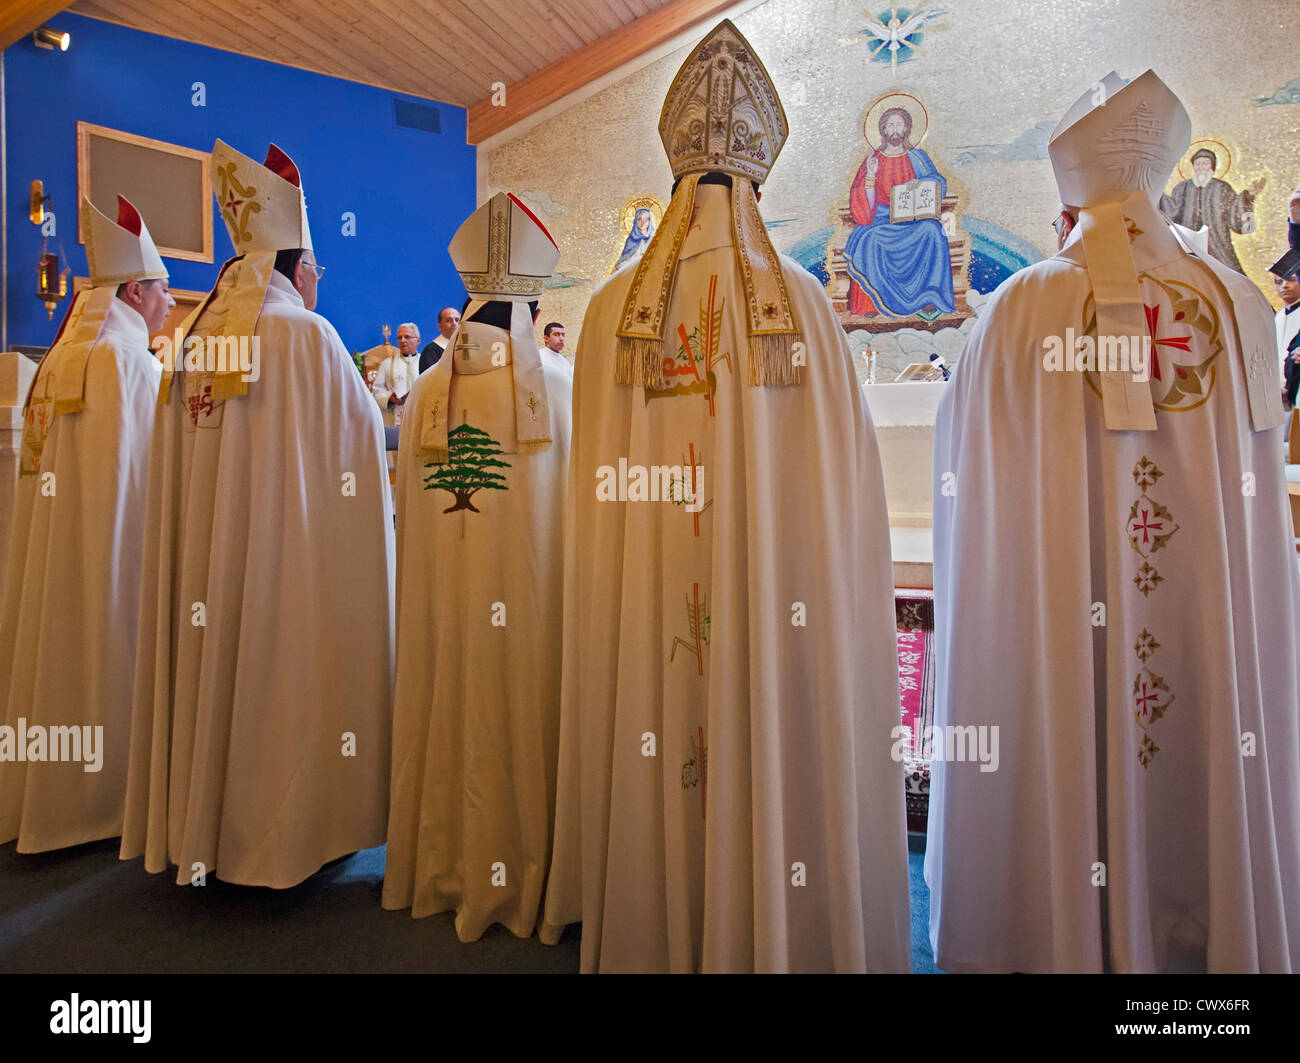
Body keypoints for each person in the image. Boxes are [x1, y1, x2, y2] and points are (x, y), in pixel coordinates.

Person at [540, 19, 911, 973]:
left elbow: (594, 512)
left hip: (648, 600)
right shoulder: (803, 305)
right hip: (768, 608)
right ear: (756, 181)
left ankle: (653, 921)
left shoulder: (609, 313)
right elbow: (843, 504)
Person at [927, 70, 1299, 973]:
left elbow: (971, 485)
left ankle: (1051, 926)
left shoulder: (1023, 307)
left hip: (1062, 621)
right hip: (1208, 628)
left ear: (1068, 195)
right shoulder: (1240, 305)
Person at [120, 141, 395, 889]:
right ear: (299, 269)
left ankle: (204, 827)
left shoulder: (197, 338)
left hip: (209, 570)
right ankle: (287, 834)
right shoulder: (307, 335)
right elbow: (359, 446)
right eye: (317, 269)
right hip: (286, 568)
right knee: (283, 666)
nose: (318, 283)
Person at [383, 192, 572, 941]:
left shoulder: (429, 390)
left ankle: (442, 863)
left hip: (445, 613)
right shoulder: (557, 384)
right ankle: (532, 865)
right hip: (531, 613)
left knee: (451, 689)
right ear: (533, 305)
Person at [0, 195, 172, 852]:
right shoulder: (128, 360)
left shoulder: (65, 356)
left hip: (57, 545)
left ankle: (47, 794)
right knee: (107, 637)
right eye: (161, 290)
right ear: (134, 290)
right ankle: (105, 798)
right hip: (115, 547)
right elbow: (152, 472)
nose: (170, 305)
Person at [843, 104, 954, 320]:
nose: (895, 130)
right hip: (881, 220)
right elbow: (860, 203)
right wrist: (871, 175)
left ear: (907, 129)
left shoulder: (918, 157)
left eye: (899, 125)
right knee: (871, 239)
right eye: (890, 125)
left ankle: (929, 298)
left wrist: (922, 182)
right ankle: (873, 303)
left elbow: (938, 183)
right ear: (883, 130)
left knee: (933, 230)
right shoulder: (873, 160)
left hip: (912, 220)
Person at [1159, 147, 1264, 274]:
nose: (1201, 167)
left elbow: (1234, 209)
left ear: (1212, 167)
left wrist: (1247, 197)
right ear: (1193, 167)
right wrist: (1157, 194)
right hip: (1188, 244)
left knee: (1229, 272)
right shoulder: (1182, 187)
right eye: (1198, 164)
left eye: (1205, 163)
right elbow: (1171, 210)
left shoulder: (1222, 187)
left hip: (1217, 242)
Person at [372, 322, 423, 425]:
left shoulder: (424, 362)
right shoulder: (387, 364)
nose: (402, 340)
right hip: (395, 420)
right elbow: (377, 390)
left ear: (418, 340)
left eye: (407, 337)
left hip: (419, 416)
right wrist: (389, 398)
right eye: (400, 338)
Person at [419, 307, 460, 373]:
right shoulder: (430, 351)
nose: (454, 323)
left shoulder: (466, 347)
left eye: (457, 320)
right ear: (440, 326)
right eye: (449, 320)